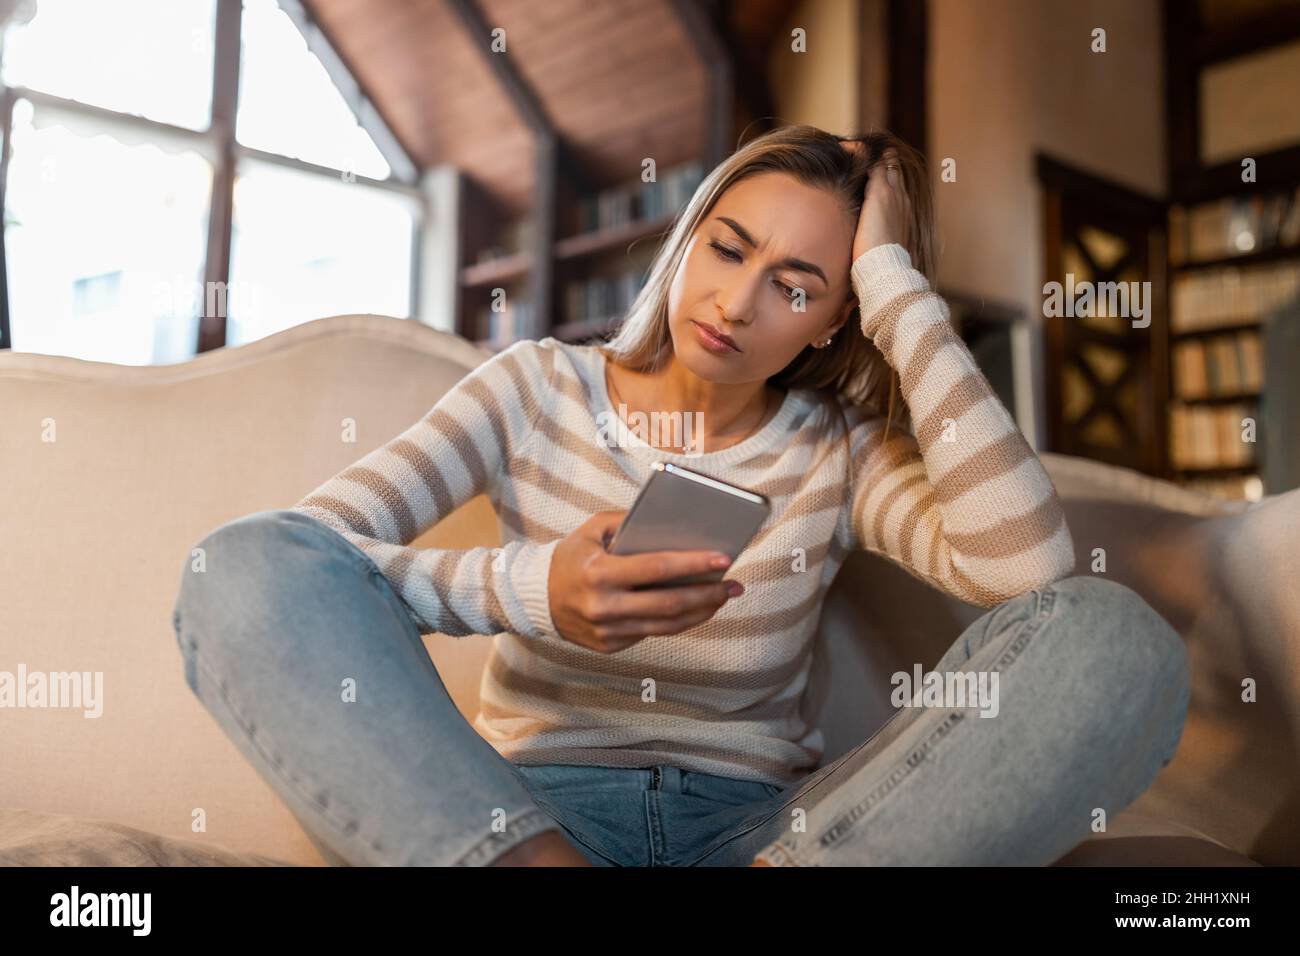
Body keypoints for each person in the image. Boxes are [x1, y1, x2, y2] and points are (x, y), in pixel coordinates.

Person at [170, 125, 1190, 866]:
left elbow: (1029, 572)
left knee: (1113, 634)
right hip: (531, 817)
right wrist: (533, 588)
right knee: (239, 561)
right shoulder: (535, 386)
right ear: (690, 236)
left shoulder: (837, 451)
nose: (735, 303)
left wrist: (895, 285)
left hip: (772, 835)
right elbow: (307, 556)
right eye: (729, 247)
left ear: (835, 321)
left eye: (797, 286)